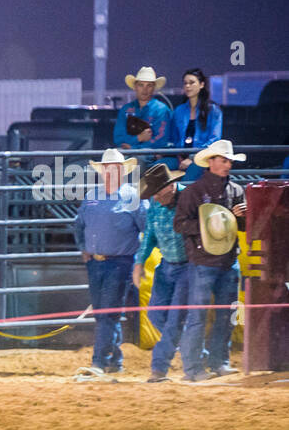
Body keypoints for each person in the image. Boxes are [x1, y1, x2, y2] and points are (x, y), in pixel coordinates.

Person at [173, 139, 247, 382]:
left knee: (226, 314)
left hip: (226, 261)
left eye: (229, 161)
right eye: (224, 160)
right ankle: (195, 367)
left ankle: (217, 362)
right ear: (211, 162)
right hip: (204, 262)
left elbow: (244, 227)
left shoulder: (235, 191)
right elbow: (180, 224)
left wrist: (239, 218)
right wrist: (212, 223)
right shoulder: (194, 192)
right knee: (198, 316)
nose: (228, 165)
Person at [72, 149, 146, 376]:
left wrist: (138, 261)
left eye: (114, 168)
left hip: (120, 263)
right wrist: (83, 247)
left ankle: (100, 362)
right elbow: (79, 223)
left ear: (122, 171)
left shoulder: (133, 197)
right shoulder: (92, 195)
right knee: (104, 312)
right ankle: (115, 360)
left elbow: (147, 229)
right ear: (102, 171)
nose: (110, 171)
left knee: (107, 313)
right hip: (96, 263)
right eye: (107, 168)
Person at [131, 163, 188, 382]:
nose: (154, 198)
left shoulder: (188, 199)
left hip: (187, 267)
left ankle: (158, 369)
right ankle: (197, 355)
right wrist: (139, 263)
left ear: (169, 188)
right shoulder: (156, 204)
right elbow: (150, 236)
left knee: (173, 320)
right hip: (167, 265)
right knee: (155, 313)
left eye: (156, 193)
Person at [168, 67, 222, 182]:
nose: (187, 86)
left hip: (202, 158)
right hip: (179, 157)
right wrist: (179, 157)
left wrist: (192, 158)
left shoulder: (213, 111)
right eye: (185, 83)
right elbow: (173, 138)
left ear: (201, 85)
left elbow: (214, 140)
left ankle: (182, 197)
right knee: (158, 168)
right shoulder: (179, 111)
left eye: (192, 83)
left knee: (189, 178)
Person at [114, 66, 171, 156]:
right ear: (135, 87)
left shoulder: (161, 110)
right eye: (141, 85)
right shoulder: (125, 110)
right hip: (127, 154)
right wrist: (139, 138)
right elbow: (118, 138)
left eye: (149, 85)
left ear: (154, 88)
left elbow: (161, 141)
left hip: (150, 156)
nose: (145, 89)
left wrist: (133, 148)